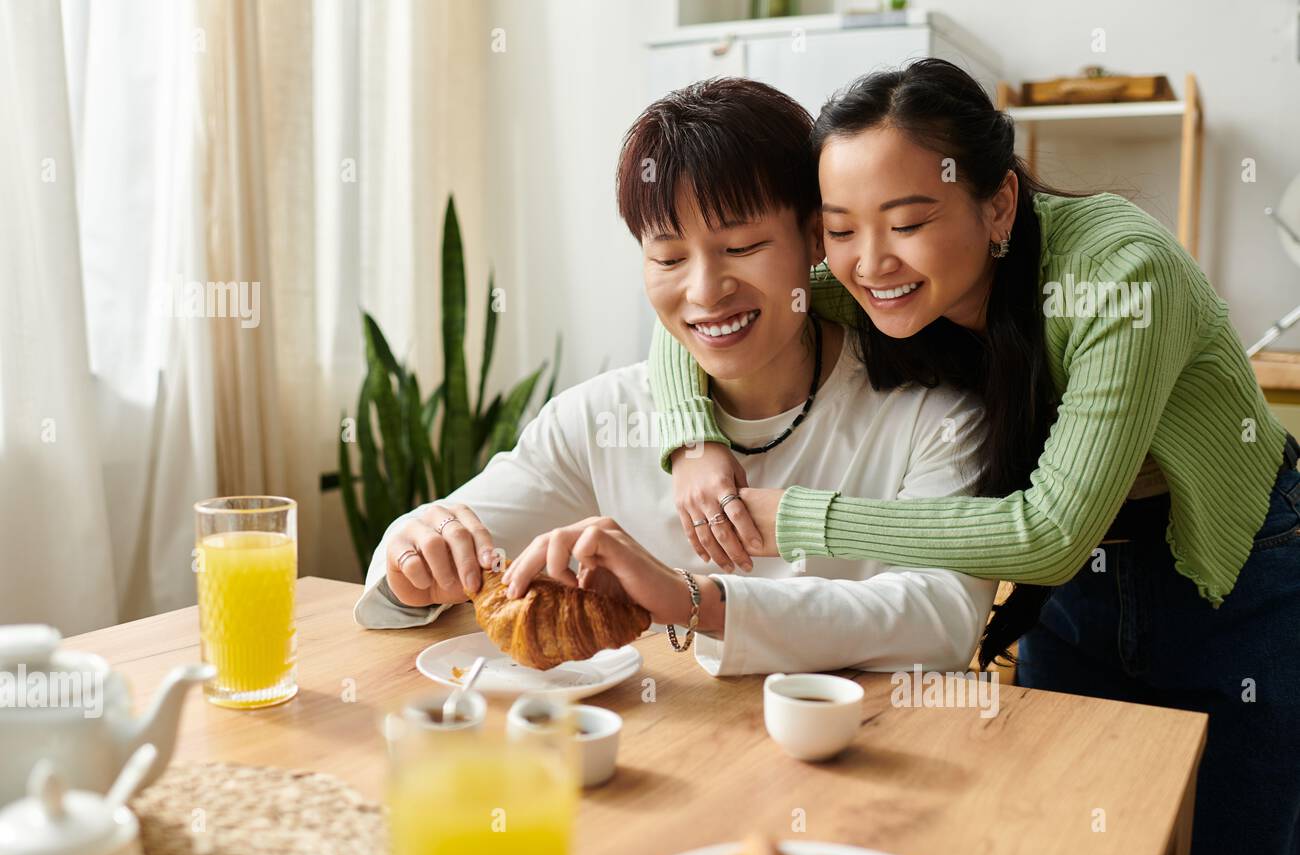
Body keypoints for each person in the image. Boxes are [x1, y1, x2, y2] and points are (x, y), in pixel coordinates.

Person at [648, 58, 1300, 855]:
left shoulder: (1119, 273)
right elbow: (711, 301)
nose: (871, 261)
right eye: (840, 229)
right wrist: (692, 438)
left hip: (1237, 582)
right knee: (1066, 839)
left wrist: (801, 516)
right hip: (1075, 600)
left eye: (908, 221)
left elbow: (1053, 531)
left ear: (998, 204)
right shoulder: (872, 284)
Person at [354, 76, 995, 679]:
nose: (706, 291)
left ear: (816, 236)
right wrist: (413, 564)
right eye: (667, 255)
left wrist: (694, 601)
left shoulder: (932, 414)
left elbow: (940, 618)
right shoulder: (597, 420)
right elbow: (428, 550)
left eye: (742, 248)